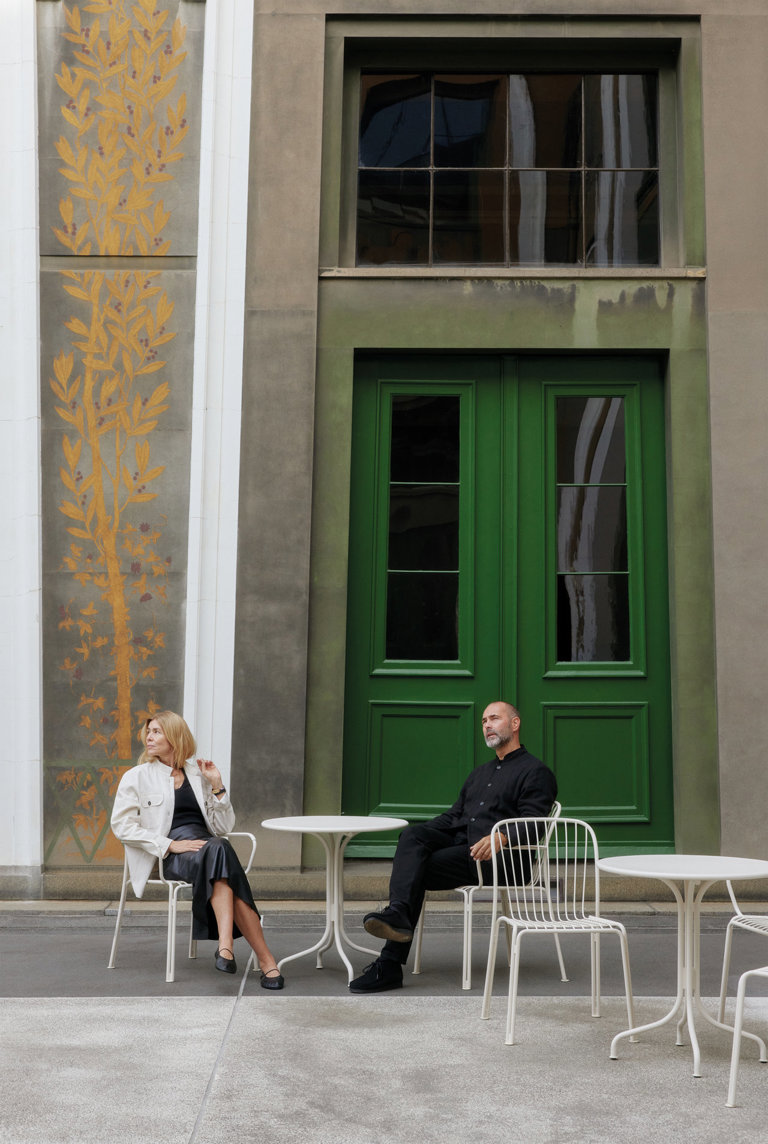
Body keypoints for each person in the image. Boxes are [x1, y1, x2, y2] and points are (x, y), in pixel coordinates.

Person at [350, 700, 557, 993]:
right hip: (466, 849)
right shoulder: (480, 773)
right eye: (484, 720)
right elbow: (455, 816)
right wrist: (420, 836)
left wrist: (503, 837)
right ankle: (397, 916)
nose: (487, 725)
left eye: (494, 718)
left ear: (515, 724)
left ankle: (390, 962)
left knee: (416, 869)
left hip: (505, 860)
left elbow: (536, 823)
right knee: (412, 839)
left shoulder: (535, 771)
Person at [111, 710, 284, 989]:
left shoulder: (197, 773)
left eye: (157, 731)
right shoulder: (137, 777)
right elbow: (121, 826)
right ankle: (260, 959)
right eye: (148, 731)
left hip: (207, 847)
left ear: (175, 737)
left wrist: (217, 785)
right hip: (172, 856)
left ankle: (230, 949)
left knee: (219, 851)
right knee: (221, 853)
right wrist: (170, 844)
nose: (149, 737)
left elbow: (224, 825)